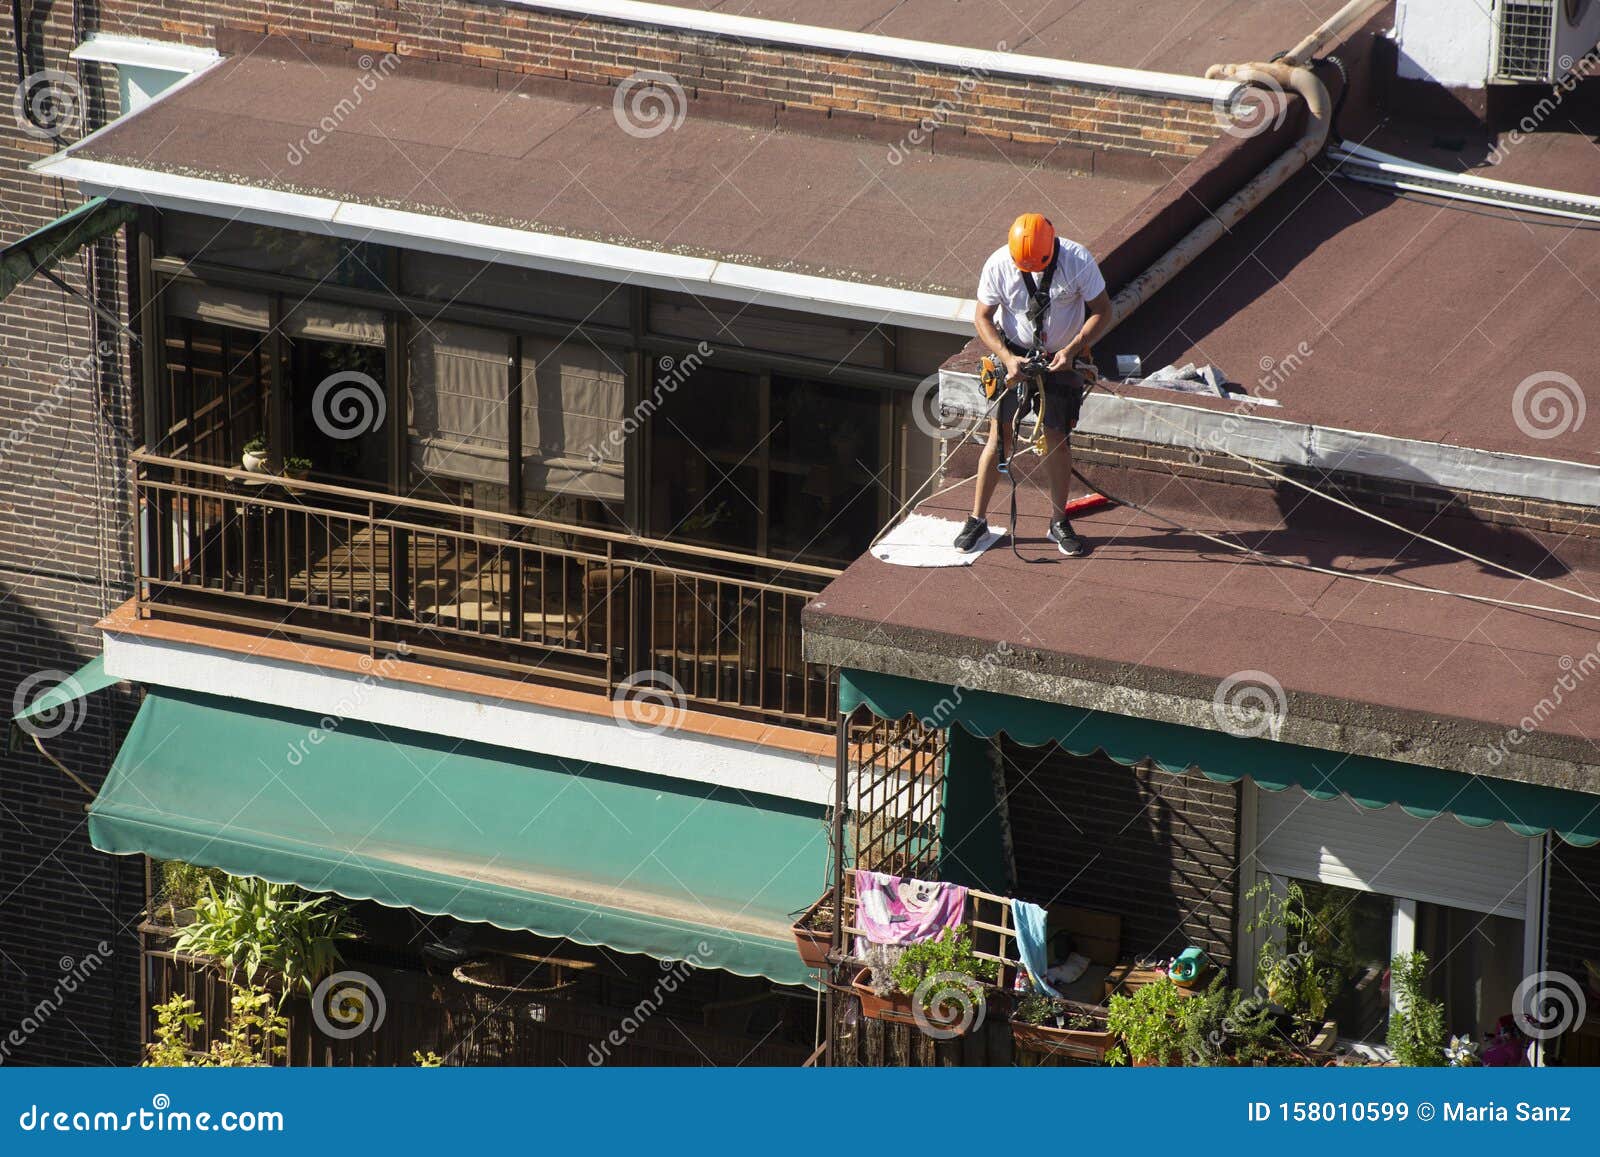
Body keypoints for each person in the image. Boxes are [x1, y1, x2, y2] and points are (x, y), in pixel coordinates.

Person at [953, 212, 1112, 557]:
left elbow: (1102, 310)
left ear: (1052, 248)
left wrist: (1071, 351)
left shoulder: (1077, 261)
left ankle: (1058, 521)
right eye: (1022, 267)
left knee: (1056, 438)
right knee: (1000, 437)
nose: (1029, 272)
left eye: (1035, 267)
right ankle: (977, 518)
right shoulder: (999, 263)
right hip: (1015, 355)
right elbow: (982, 316)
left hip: (1061, 358)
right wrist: (1007, 359)